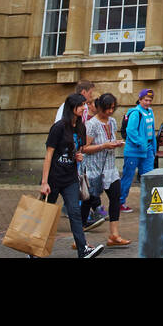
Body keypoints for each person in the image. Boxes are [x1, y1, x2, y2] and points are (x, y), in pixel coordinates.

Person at [39, 92, 103, 258]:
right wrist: (44, 182)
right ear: (72, 108)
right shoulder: (59, 127)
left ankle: (83, 250)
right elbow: (49, 155)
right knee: (46, 216)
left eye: (85, 104)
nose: (85, 108)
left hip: (70, 178)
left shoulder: (81, 127)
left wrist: (77, 155)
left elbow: (76, 150)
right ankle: (34, 249)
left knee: (75, 212)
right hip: (53, 178)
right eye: (81, 105)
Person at [81, 93, 129, 247]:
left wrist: (116, 143)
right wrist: (104, 146)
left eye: (112, 108)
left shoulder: (113, 122)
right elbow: (84, 148)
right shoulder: (91, 124)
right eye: (107, 109)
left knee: (115, 197)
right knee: (88, 202)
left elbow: (110, 140)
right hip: (93, 169)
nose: (109, 111)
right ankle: (80, 237)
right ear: (100, 107)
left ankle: (114, 235)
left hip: (109, 168)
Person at [56, 81, 103, 225]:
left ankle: (81, 218)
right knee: (56, 190)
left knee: (78, 186)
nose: (91, 97)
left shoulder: (81, 111)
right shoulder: (67, 108)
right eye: (90, 93)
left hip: (75, 156)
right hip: (63, 159)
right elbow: (60, 132)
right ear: (83, 92)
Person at [117, 88, 156, 213]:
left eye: (150, 100)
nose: (148, 102)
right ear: (140, 100)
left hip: (148, 150)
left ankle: (150, 203)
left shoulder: (150, 112)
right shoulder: (135, 113)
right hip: (134, 151)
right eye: (145, 100)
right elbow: (131, 131)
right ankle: (120, 202)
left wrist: (153, 148)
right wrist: (141, 143)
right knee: (128, 177)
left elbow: (152, 131)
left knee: (149, 177)